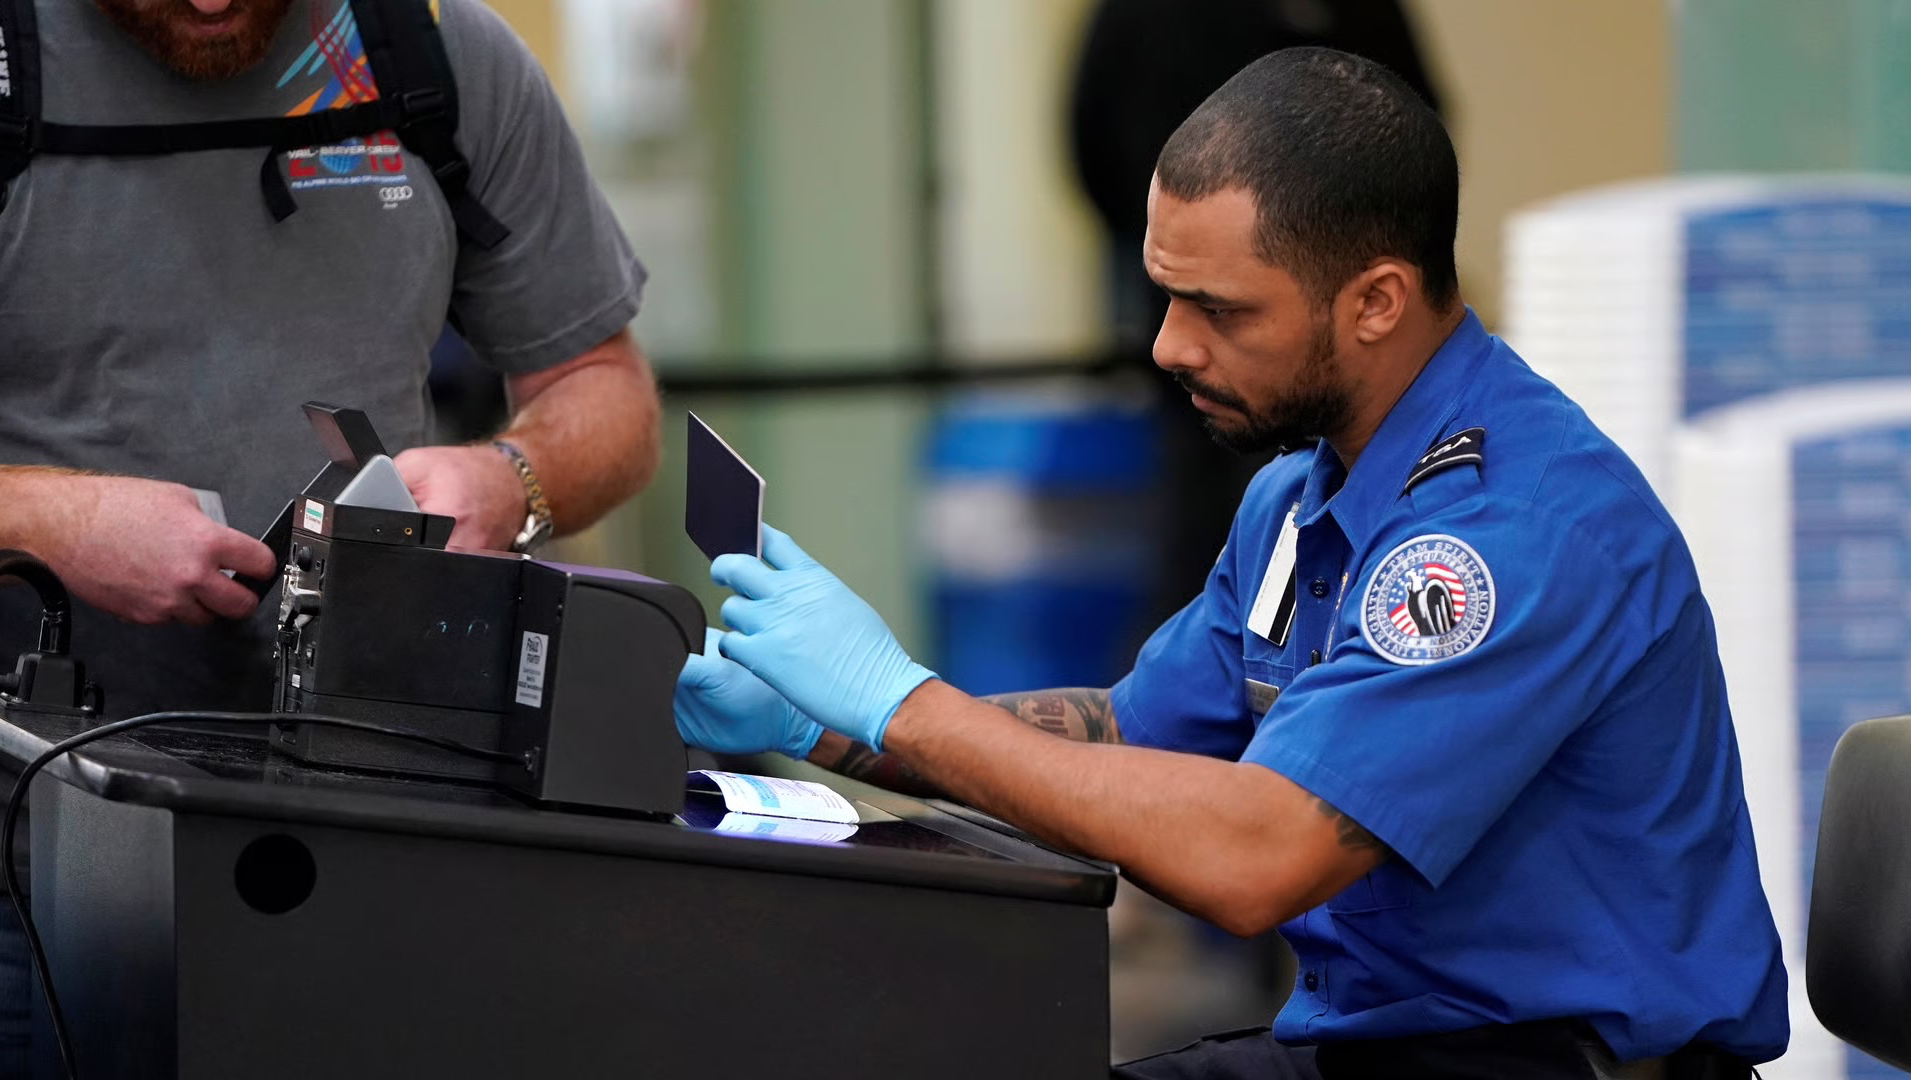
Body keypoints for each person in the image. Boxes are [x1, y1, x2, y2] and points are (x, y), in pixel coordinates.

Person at [675, 48, 1789, 1078]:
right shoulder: (1298, 502)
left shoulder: (1511, 534)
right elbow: (1123, 739)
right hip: (1381, 1051)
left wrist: (901, 702)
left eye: (1218, 308)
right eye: (1165, 295)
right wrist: (819, 725)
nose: (1169, 345)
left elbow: (1257, 858)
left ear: (1376, 303)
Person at [0, 0, 660, 721]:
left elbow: (604, 392)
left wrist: (511, 480)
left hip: (372, 750)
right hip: (32, 766)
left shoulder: (430, 53)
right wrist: (52, 520)